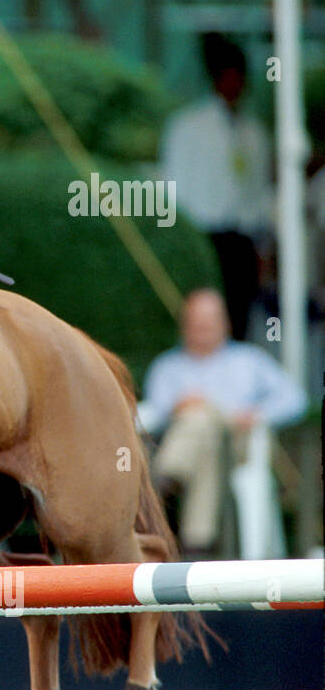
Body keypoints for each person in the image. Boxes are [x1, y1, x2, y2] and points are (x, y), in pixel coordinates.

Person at [137, 289, 306, 555]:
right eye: (196, 321)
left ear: (225, 323)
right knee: (203, 430)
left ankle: (166, 478)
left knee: (202, 417)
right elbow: (151, 415)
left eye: (209, 321)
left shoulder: (249, 360)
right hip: (194, 444)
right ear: (184, 325)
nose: (203, 328)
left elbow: (294, 399)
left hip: (238, 444)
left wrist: (257, 414)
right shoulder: (166, 367)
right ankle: (198, 544)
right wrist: (177, 407)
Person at [159, 34, 273, 340]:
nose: (236, 84)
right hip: (204, 236)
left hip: (242, 239)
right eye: (229, 76)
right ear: (217, 78)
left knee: (240, 317)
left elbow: (259, 191)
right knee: (204, 314)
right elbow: (173, 188)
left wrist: (262, 245)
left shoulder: (254, 132)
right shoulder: (187, 126)